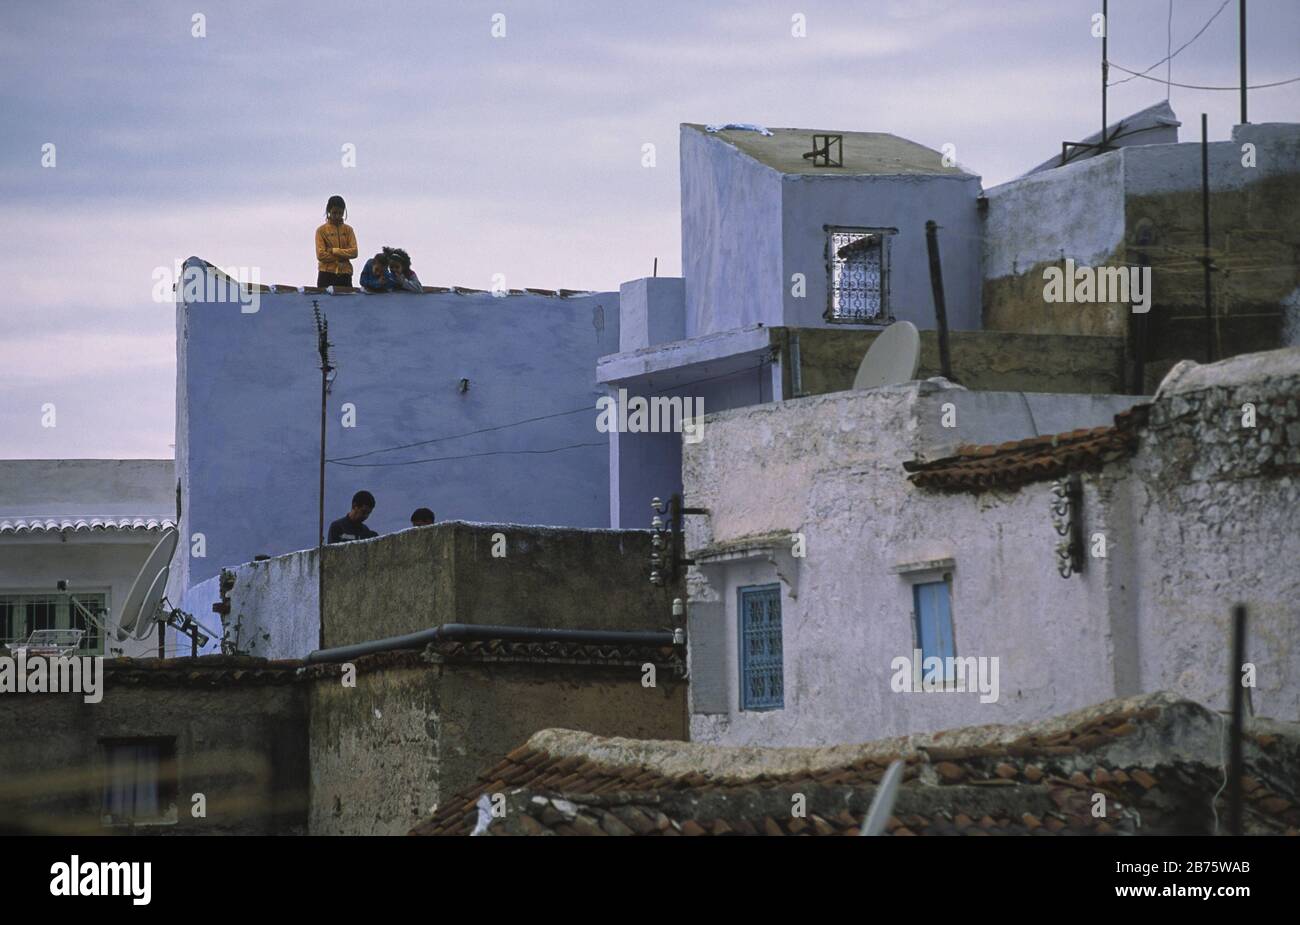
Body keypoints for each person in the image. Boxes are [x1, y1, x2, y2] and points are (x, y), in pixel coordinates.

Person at [315, 195, 358, 288]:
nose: (337, 216)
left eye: (340, 213)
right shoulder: (321, 230)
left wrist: (335, 251)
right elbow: (321, 255)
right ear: (329, 211)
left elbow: (354, 252)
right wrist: (343, 256)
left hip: (345, 274)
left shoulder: (348, 230)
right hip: (326, 274)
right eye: (334, 213)